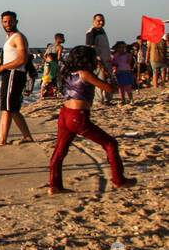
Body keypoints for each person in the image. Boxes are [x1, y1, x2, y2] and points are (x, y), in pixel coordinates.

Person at [47, 45, 135, 195]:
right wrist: (107, 73)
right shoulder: (85, 74)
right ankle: (119, 180)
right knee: (110, 143)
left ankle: (54, 185)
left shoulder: (67, 72)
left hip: (65, 113)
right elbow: (109, 89)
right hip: (78, 116)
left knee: (60, 151)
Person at [0, 11, 34, 145]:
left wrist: (3, 67)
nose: (7, 24)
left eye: (10, 21)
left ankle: (2, 140)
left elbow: (22, 59)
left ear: (16, 21)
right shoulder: (10, 38)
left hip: (14, 73)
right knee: (12, 108)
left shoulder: (18, 37)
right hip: (12, 74)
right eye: (5, 21)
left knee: (6, 108)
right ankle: (27, 136)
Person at [85, 14, 114, 105]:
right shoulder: (91, 32)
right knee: (99, 80)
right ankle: (98, 100)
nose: (101, 22)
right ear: (94, 21)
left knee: (108, 79)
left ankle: (107, 100)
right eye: (99, 21)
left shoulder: (102, 30)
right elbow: (90, 48)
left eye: (102, 20)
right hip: (98, 61)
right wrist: (97, 60)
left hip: (107, 59)